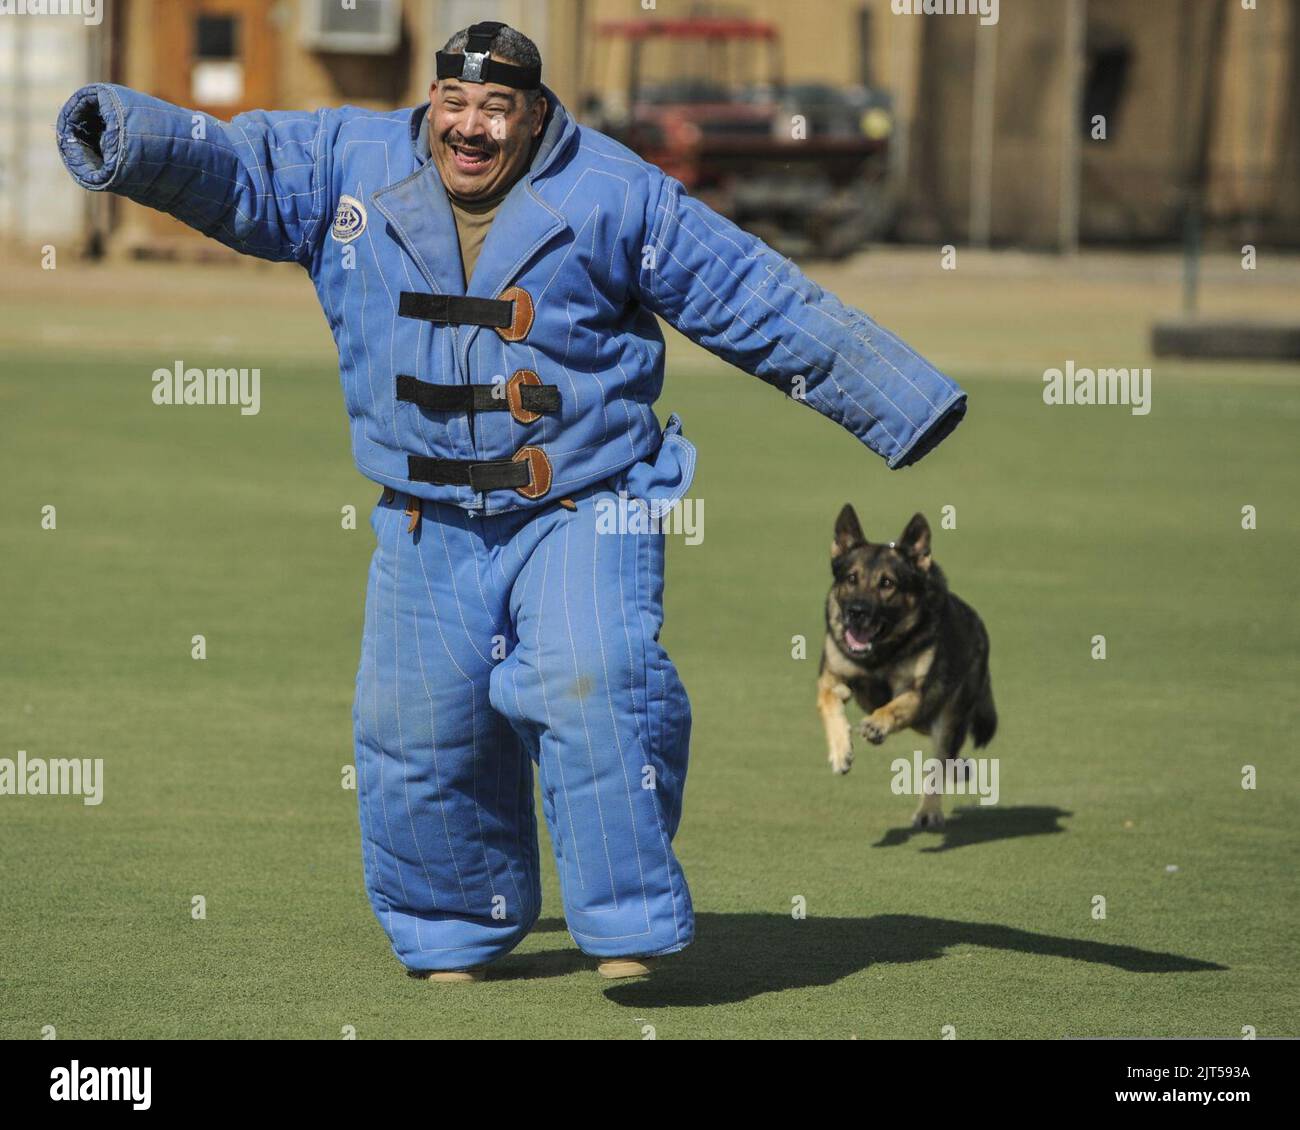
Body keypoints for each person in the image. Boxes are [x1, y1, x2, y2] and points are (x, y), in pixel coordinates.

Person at [56, 21, 967, 982]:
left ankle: (626, 924)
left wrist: (902, 401)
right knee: (417, 730)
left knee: (596, 681)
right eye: (454, 103)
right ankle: (455, 923)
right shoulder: (345, 163)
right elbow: (237, 167)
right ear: (431, 103)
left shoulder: (615, 191)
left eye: (496, 108)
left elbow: (753, 294)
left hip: (585, 499)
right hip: (425, 515)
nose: (470, 126)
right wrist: (122, 132)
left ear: (534, 115)